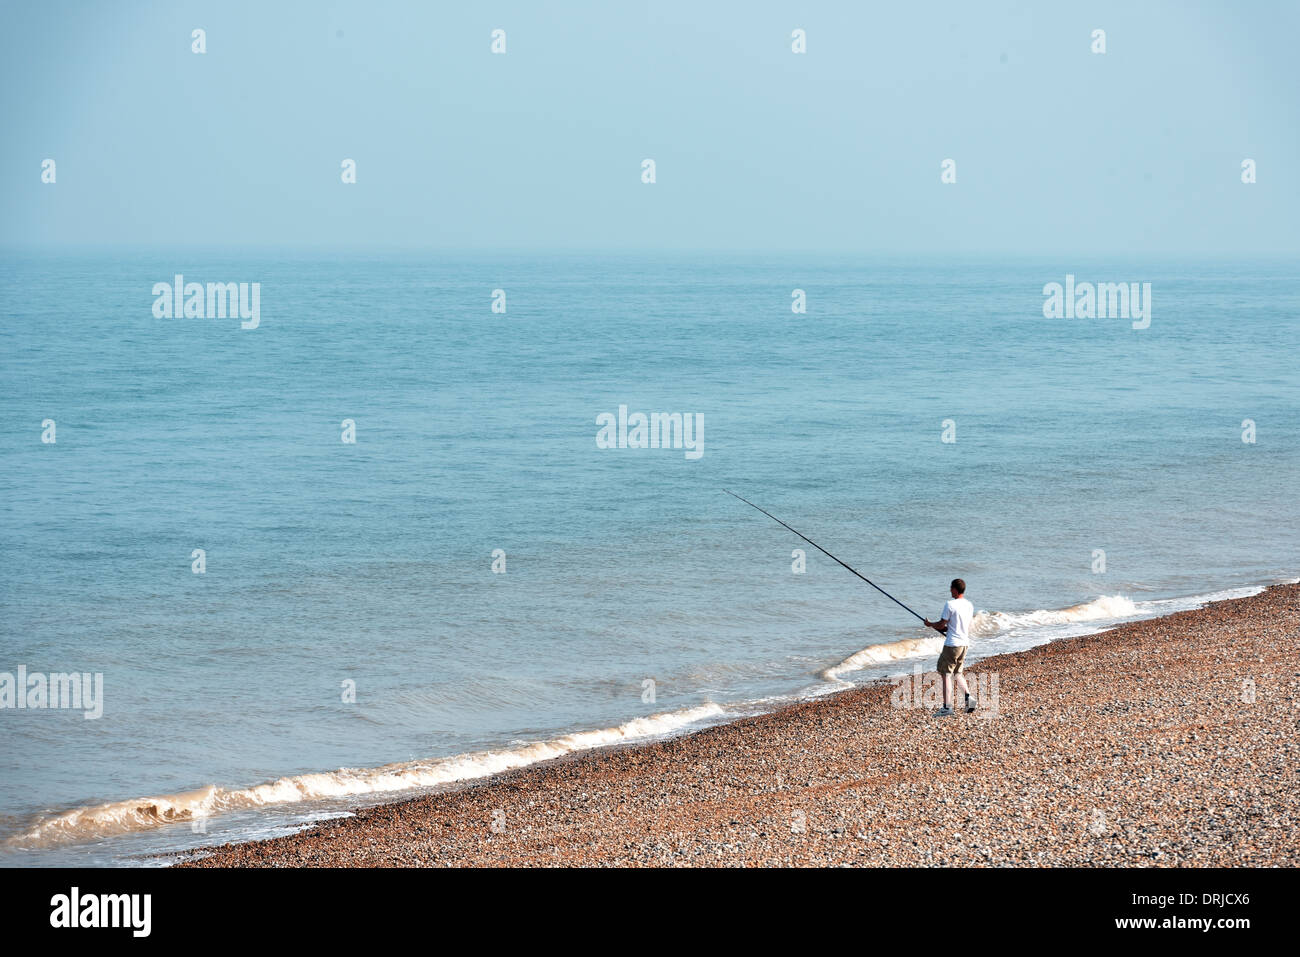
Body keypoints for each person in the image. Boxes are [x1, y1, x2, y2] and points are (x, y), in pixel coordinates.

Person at [922, 578, 975, 717]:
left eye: (951, 588)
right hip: (964, 644)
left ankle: (947, 708)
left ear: (955, 590)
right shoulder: (969, 605)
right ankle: (969, 698)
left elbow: (941, 625)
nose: (950, 590)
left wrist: (930, 624)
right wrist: (939, 627)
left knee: (945, 675)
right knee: (957, 673)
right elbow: (954, 626)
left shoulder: (950, 604)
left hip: (952, 645)